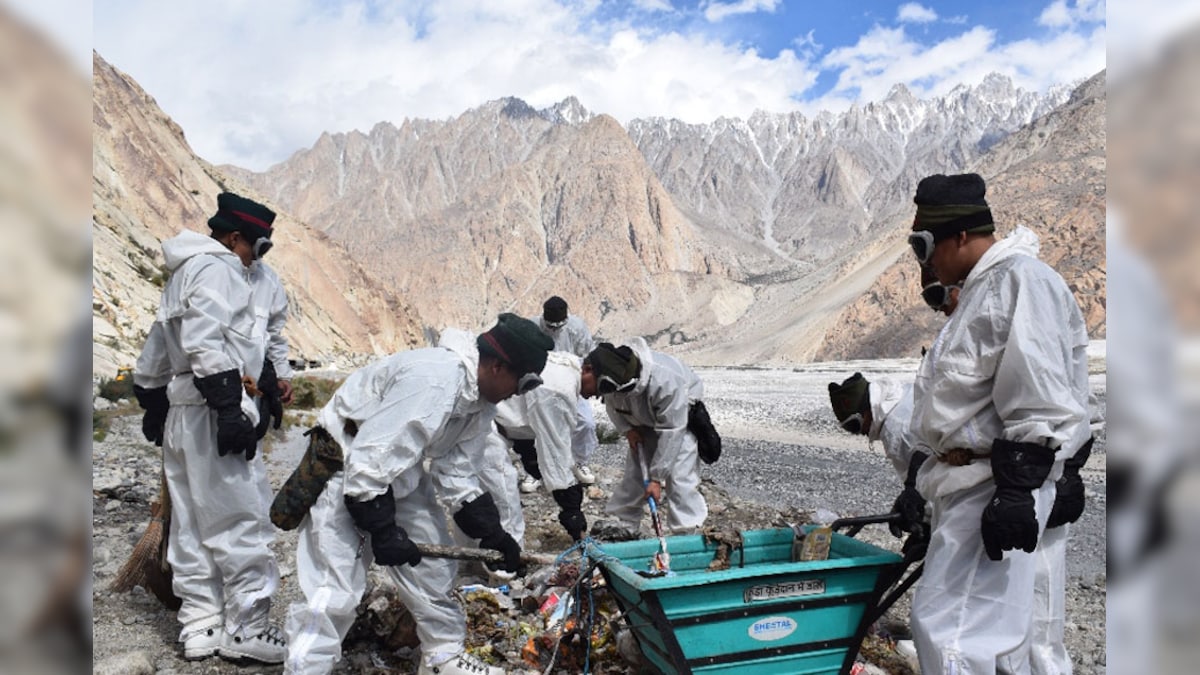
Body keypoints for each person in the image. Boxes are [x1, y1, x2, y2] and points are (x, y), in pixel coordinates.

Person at [282, 314, 553, 675]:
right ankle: (304, 668)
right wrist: (382, 530)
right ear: (497, 365)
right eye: (521, 383)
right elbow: (369, 462)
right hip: (348, 466)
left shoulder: (480, 404)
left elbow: (457, 473)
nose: (518, 394)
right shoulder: (435, 380)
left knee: (433, 567)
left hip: (396, 469)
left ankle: (443, 657)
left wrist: (495, 536)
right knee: (337, 588)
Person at [903, 173, 1091, 675]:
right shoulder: (983, 290)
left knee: (952, 633)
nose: (926, 261)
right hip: (968, 486)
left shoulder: (1020, 283)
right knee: (998, 637)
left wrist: (1017, 493)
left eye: (926, 244)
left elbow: (1043, 397)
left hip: (992, 487)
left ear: (961, 234)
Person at [132, 192, 285, 663]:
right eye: (258, 247)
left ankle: (200, 624)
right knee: (240, 517)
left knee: (192, 524)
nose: (257, 259)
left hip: (183, 412)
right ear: (236, 237)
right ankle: (247, 628)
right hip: (211, 409)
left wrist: (153, 403)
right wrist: (228, 409)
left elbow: (156, 350)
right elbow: (205, 344)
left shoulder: (183, 273)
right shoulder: (218, 268)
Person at [582, 338, 707, 537]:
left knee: (680, 476)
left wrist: (657, 478)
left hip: (679, 420)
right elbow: (612, 404)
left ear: (589, 370)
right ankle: (624, 524)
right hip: (641, 418)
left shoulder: (665, 381)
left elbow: (671, 429)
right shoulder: (609, 375)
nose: (587, 396)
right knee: (635, 474)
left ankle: (686, 531)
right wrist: (627, 430)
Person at [493, 349, 599, 543]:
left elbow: (525, 410)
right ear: (588, 369)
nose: (595, 396)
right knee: (502, 494)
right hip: (487, 422)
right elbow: (556, 453)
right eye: (599, 387)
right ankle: (503, 562)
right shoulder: (558, 390)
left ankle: (479, 560)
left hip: (500, 421)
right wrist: (571, 507)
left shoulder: (567, 367)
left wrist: (528, 454)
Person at [828, 373, 928, 560]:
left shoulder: (895, 430)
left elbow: (931, 475)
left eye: (854, 426)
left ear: (867, 410)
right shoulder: (902, 396)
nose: (860, 434)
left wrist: (927, 522)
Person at [530, 295, 598, 488]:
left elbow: (587, 356)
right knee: (535, 426)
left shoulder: (577, 328)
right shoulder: (533, 327)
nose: (554, 331)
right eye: (550, 327)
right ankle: (534, 470)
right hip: (541, 385)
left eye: (558, 327)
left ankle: (579, 461)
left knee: (586, 423)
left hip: (571, 383)